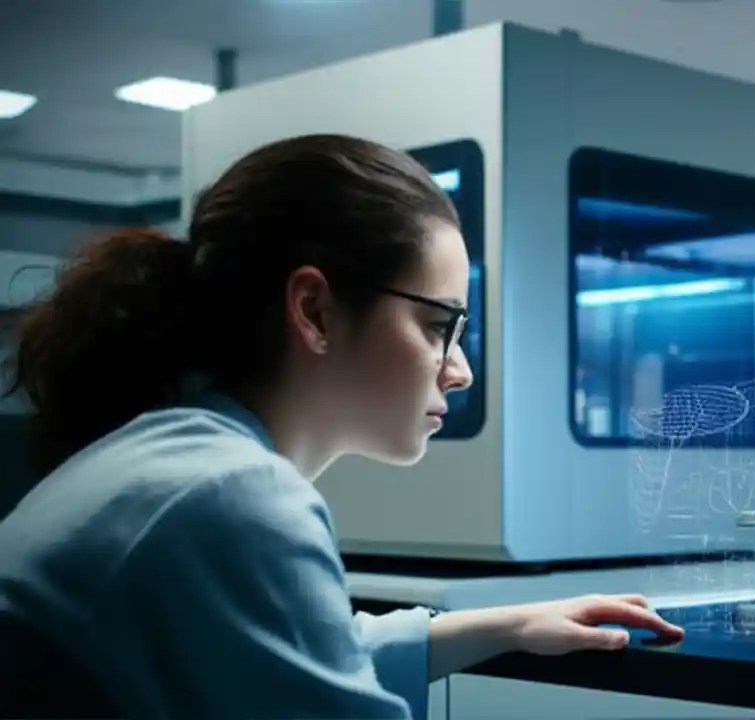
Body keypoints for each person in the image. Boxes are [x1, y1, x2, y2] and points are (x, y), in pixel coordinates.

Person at [0, 133, 684, 718]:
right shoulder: (233, 496)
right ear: (315, 311)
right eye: (439, 326)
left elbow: (299, 651)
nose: (460, 371)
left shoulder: (183, 460)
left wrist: (507, 625)